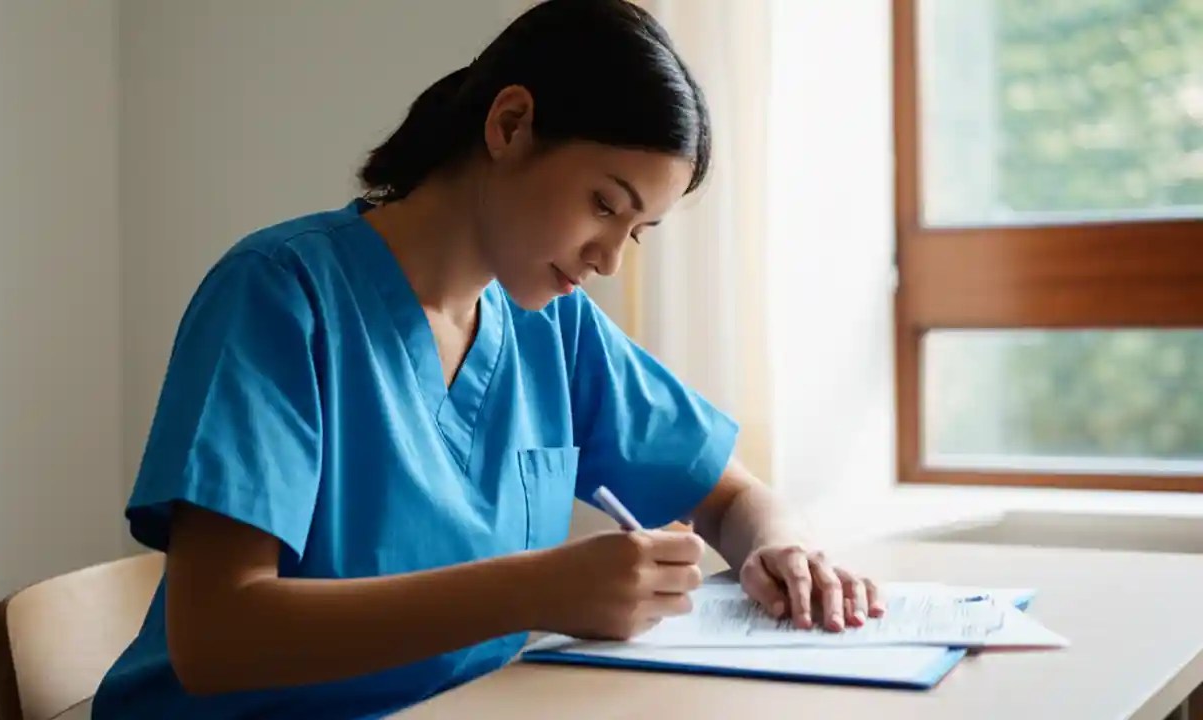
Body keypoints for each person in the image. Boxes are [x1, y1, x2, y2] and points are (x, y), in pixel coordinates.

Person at [92, 0, 884, 717]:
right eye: (604, 205)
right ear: (509, 125)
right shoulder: (280, 296)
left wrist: (779, 547)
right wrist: (537, 589)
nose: (608, 259)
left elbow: (729, 496)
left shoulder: (551, 326)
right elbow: (216, 636)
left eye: (635, 231)